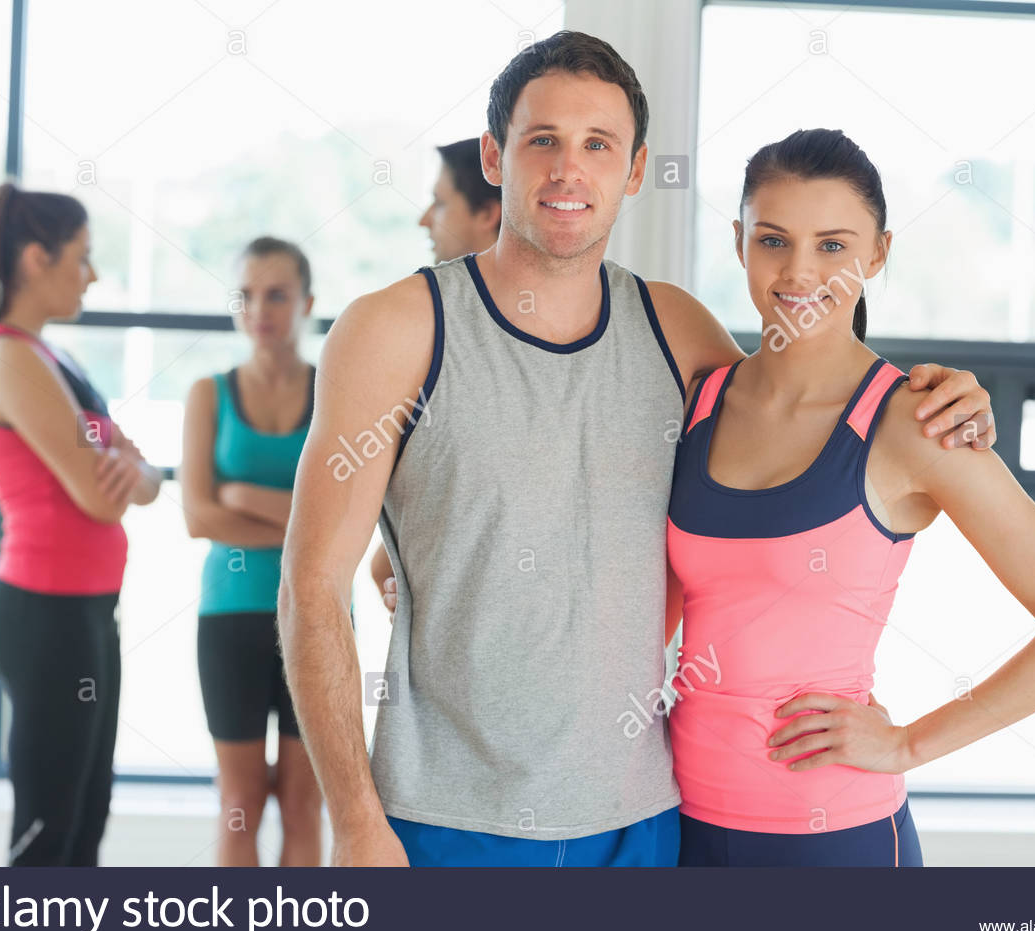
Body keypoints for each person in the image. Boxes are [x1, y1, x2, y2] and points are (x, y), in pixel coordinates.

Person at [281, 31, 996, 868]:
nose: (567, 170)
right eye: (541, 140)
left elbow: (802, 437)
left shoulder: (677, 331)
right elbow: (310, 586)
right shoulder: (395, 329)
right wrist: (356, 823)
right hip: (441, 821)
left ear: (634, 168)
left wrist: (953, 406)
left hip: (644, 822)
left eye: (598, 145)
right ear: (493, 156)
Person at [666, 129, 1035, 866]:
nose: (800, 271)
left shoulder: (916, 420)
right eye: (773, 240)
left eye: (835, 247)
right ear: (739, 242)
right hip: (680, 826)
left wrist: (909, 743)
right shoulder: (698, 396)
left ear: (878, 254)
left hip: (834, 841)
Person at [0, 183, 161, 865]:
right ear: (37, 259)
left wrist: (128, 470)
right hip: (46, 616)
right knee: (48, 832)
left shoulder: (55, 359)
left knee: (85, 818)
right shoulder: (8, 357)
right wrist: (124, 470)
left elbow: (147, 477)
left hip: (88, 613)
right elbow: (102, 494)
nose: (94, 274)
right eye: (82, 256)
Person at [180, 237, 324, 866]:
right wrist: (303, 529)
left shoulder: (337, 393)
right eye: (246, 295)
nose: (260, 309)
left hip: (318, 620)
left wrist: (240, 493)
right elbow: (197, 516)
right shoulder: (208, 395)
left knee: (303, 802)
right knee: (239, 801)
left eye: (277, 294)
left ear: (307, 303)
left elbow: (354, 519)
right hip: (231, 617)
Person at [367, 138, 503, 598]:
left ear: (488, 213)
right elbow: (385, 564)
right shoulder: (425, 328)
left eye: (441, 203)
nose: (424, 218)